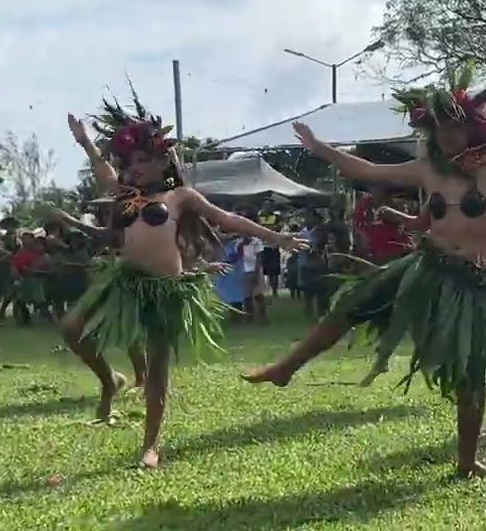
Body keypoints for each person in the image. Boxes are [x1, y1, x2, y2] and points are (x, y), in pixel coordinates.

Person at [244, 69, 486, 478]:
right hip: (429, 267)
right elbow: (366, 171)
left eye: (455, 126)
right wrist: (320, 148)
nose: (448, 135)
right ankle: (286, 368)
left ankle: (468, 460)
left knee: (472, 369)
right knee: (353, 303)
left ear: (472, 126)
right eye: (439, 128)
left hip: (476, 278)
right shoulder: (426, 170)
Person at [63, 92, 306, 468]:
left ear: (164, 161)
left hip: (166, 290)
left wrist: (278, 238)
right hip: (124, 281)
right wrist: (85, 142)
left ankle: (150, 445)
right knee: (72, 326)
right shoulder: (126, 197)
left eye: (143, 160)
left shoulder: (180, 196)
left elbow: (230, 222)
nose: (135, 168)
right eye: (130, 161)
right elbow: (104, 174)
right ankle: (110, 379)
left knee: (158, 367)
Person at [11, 231, 53, 325]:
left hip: (38, 282)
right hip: (24, 280)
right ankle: (25, 319)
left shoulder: (42, 255)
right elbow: (15, 264)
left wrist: (35, 272)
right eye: (23, 239)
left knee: (40, 302)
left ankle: (50, 319)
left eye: (27, 238)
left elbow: (50, 272)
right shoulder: (20, 252)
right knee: (20, 300)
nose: (25, 241)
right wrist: (17, 276)